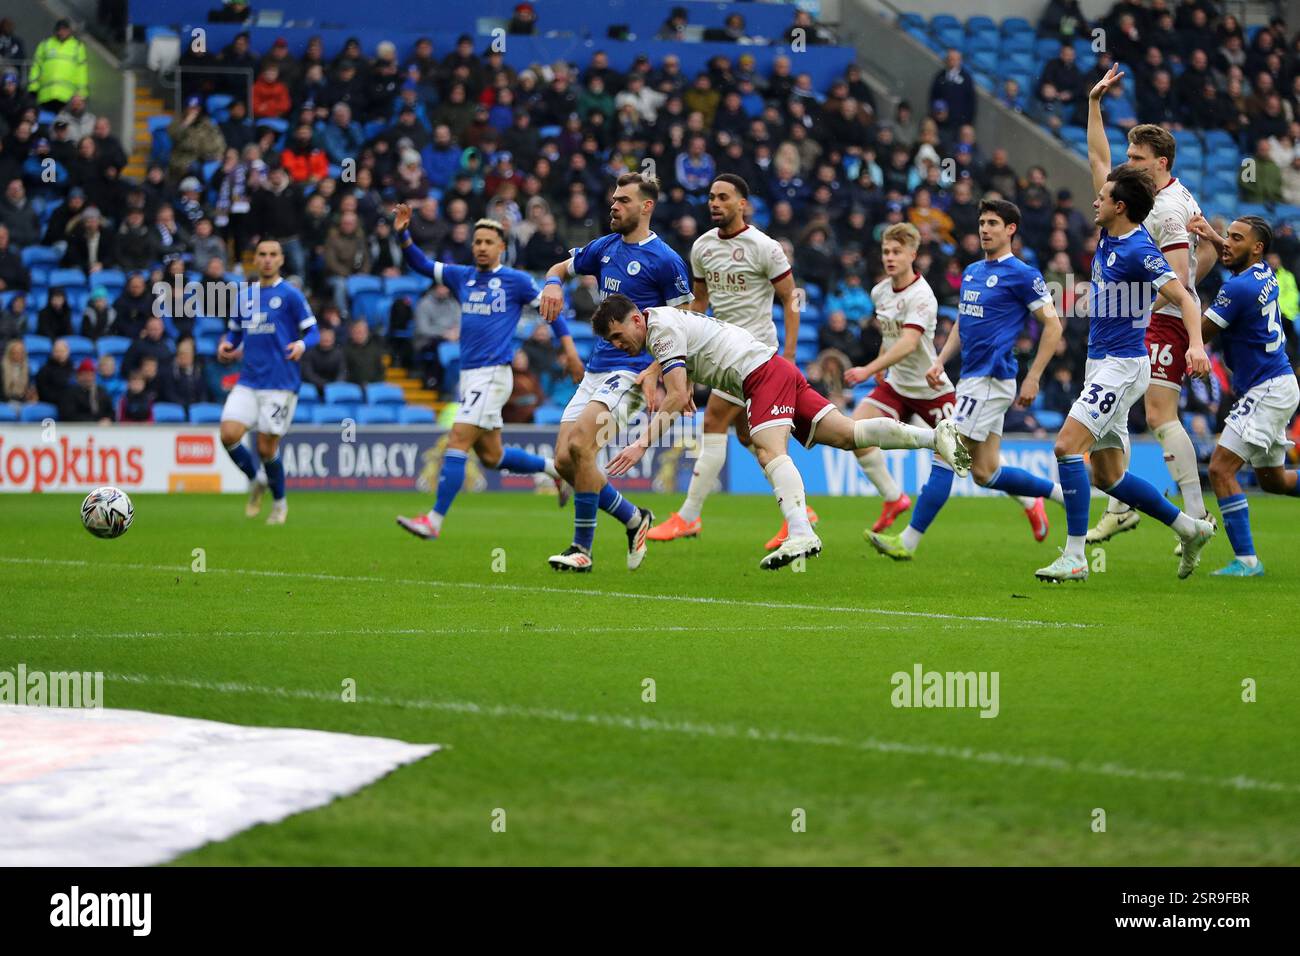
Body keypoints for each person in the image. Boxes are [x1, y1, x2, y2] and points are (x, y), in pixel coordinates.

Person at [595, 294, 971, 569]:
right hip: (774, 369)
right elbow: (689, 362)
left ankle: (801, 531)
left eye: (617, 335)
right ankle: (934, 436)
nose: (618, 344)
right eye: (609, 341)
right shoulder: (664, 322)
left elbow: (676, 396)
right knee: (846, 434)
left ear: (636, 320)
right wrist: (666, 375)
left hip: (759, 375)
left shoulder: (660, 329)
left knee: (768, 450)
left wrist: (642, 444)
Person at [1035, 65, 1216, 583]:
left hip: (1123, 364)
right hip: (1101, 361)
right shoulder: (1115, 228)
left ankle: (1072, 558)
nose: (1093, 197)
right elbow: (1098, 156)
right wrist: (1094, 104)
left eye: (1101, 195)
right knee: (1108, 474)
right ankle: (1188, 526)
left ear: (1118, 205)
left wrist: (1197, 345)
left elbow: (1182, 291)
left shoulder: (1139, 246)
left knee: (1066, 447)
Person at [865, 203, 1065, 562]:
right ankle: (1056, 495)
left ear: (1011, 230)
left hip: (991, 379)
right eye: (982, 223)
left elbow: (1053, 325)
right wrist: (941, 360)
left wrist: (1033, 376)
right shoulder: (972, 272)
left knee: (946, 452)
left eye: (993, 224)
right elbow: (963, 323)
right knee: (986, 472)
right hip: (971, 378)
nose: (985, 229)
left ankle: (907, 541)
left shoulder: (1023, 274)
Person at [392, 206, 581, 541]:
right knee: (492, 456)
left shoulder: (516, 281)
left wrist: (568, 351)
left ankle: (434, 520)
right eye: (477, 241)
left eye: (488, 242)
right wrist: (404, 234)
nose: (480, 246)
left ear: (501, 248)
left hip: (493, 373)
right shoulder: (461, 275)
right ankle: (555, 470)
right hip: (470, 376)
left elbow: (553, 312)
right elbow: (421, 264)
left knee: (458, 438)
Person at [538, 172, 693, 573]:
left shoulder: (665, 260)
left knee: (581, 447)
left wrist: (661, 370)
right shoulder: (603, 248)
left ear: (646, 207)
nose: (614, 206)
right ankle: (633, 518)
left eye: (623, 200)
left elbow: (687, 322)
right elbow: (559, 267)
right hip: (596, 370)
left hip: (633, 374)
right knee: (563, 461)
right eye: (613, 199)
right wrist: (553, 284)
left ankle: (581, 549)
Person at [646, 174, 812, 548]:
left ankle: (688, 516)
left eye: (723, 197)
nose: (714, 203)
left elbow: (791, 298)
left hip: (756, 354)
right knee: (745, 434)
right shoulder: (702, 247)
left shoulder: (765, 247)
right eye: (711, 197)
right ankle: (801, 510)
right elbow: (699, 306)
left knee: (714, 419)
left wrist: (788, 352)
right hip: (719, 351)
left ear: (743, 204)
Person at [1086, 119, 1220, 552]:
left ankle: (1196, 513)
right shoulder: (1160, 197)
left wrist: (1136, 309)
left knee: (1160, 415)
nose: (1129, 163)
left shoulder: (1165, 209)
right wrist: (1094, 105)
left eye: (1137, 158)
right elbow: (1206, 257)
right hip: (1159, 315)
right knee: (1123, 406)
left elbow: (1179, 278)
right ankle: (1120, 505)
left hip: (1166, 319)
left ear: (1160, 162)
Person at [1189, 215, 1300, 576]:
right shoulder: (1263, 271)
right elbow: (1234, 251)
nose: (1228, 243)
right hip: (1278, 383)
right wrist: (1213, 236)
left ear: (1256, 248)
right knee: (1275, 481)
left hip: (1266, 387)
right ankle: (1247, 560)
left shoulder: (1236, 290)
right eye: (1229, 237)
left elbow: (1201, 334)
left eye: (1237, 239)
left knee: (1221, 469)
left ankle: (1247, 561)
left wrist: (1179, 304)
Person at [217, 239, 319, 525]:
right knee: (228, 434)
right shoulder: (244, 295)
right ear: (255, 259)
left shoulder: (291, 295)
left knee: (265, 448)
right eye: (262, 254)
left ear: (281, 260)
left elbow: (313, 332)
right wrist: (227, 346)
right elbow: (235, 333)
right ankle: (256, 479)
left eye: (273, 255)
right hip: (249, 380)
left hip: (280, 383)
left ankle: (280, 504)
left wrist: (301, 345)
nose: (267, 259)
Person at [28, 19, 87, 112]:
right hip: (46, 95)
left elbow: (81, 72)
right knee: (46, 123)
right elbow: (36, 67)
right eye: (59, 29)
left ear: (70, 30)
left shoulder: (77, 46)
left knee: (62, 124)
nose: (61, 32)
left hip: (67, 96)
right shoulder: (45, 44)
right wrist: (33, 87)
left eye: (64, 29)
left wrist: (82, 93)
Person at [61, 357, 113, 423]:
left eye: (91, 375)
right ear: (78, 377)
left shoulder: (101, 391)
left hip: (101, 429)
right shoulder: (70, 393)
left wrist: (108, 419)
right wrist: (95, 422)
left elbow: (110, 412)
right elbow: (69, 415)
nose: (88, 378)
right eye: (84, 375)